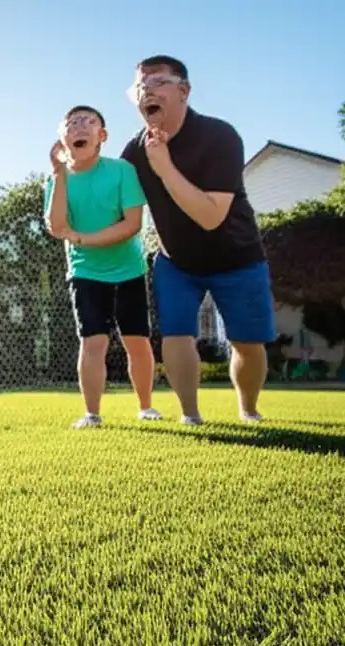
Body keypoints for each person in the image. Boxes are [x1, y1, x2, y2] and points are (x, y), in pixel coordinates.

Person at [120, 55, 275, 426]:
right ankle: (190, 414)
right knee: (175, 335)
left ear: (184, 90)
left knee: (247, 345)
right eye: (141, 86)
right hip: (176, 262)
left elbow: (210, 216)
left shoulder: (220, 136)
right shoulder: (133, 151)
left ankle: (248, 408)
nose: (147, 92)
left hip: (237, 258)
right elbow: (113, 201)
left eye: (157, 82)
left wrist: (163, 166)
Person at [44, 105, 161, 429]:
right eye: (71, 123)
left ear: (102, 136)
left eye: (88, 122)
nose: (79, 127)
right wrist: (57, 174)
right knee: (93, 341)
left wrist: (81, 238)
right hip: (85, 273)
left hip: (129, 270)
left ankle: (146, 407)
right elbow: (56, 227)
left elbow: (132, 224)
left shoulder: (121, 170)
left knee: (136, 341)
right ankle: (92, 414)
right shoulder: (57, 179)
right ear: (62, 138)